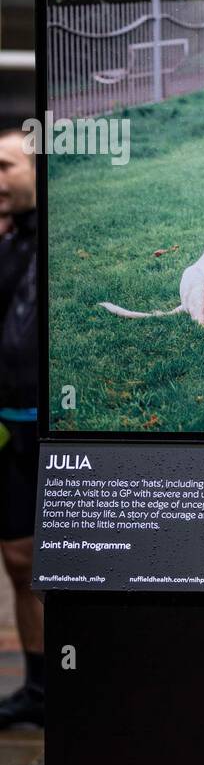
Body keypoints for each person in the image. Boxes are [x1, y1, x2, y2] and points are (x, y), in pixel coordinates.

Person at [0, 123, 43, 729]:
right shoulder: (10, 242)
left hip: (44, 425)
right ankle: (38, 687)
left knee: (50, 556)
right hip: (7, 424)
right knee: (16, 556)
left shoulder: (47, 243)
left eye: (6, 166)